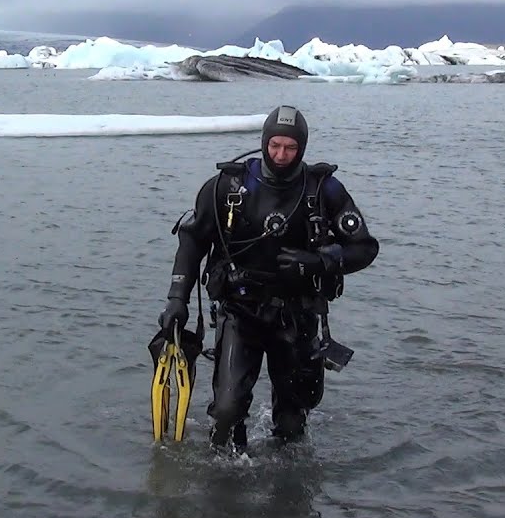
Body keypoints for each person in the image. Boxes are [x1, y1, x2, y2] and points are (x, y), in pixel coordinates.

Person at [157, 105, 379, 451]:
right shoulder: (228, 186)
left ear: (301, 148)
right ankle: (224, 488)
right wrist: (176, 300)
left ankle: (287, 492)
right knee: (227, 414)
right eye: (275, 145)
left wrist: (318, 262)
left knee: (293, 424)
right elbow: (192, 241)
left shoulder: (324, 191)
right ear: (264, 143)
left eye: (290, 148)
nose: (281, 155)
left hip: (297, 314)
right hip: (240, 310)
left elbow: (364, 249)